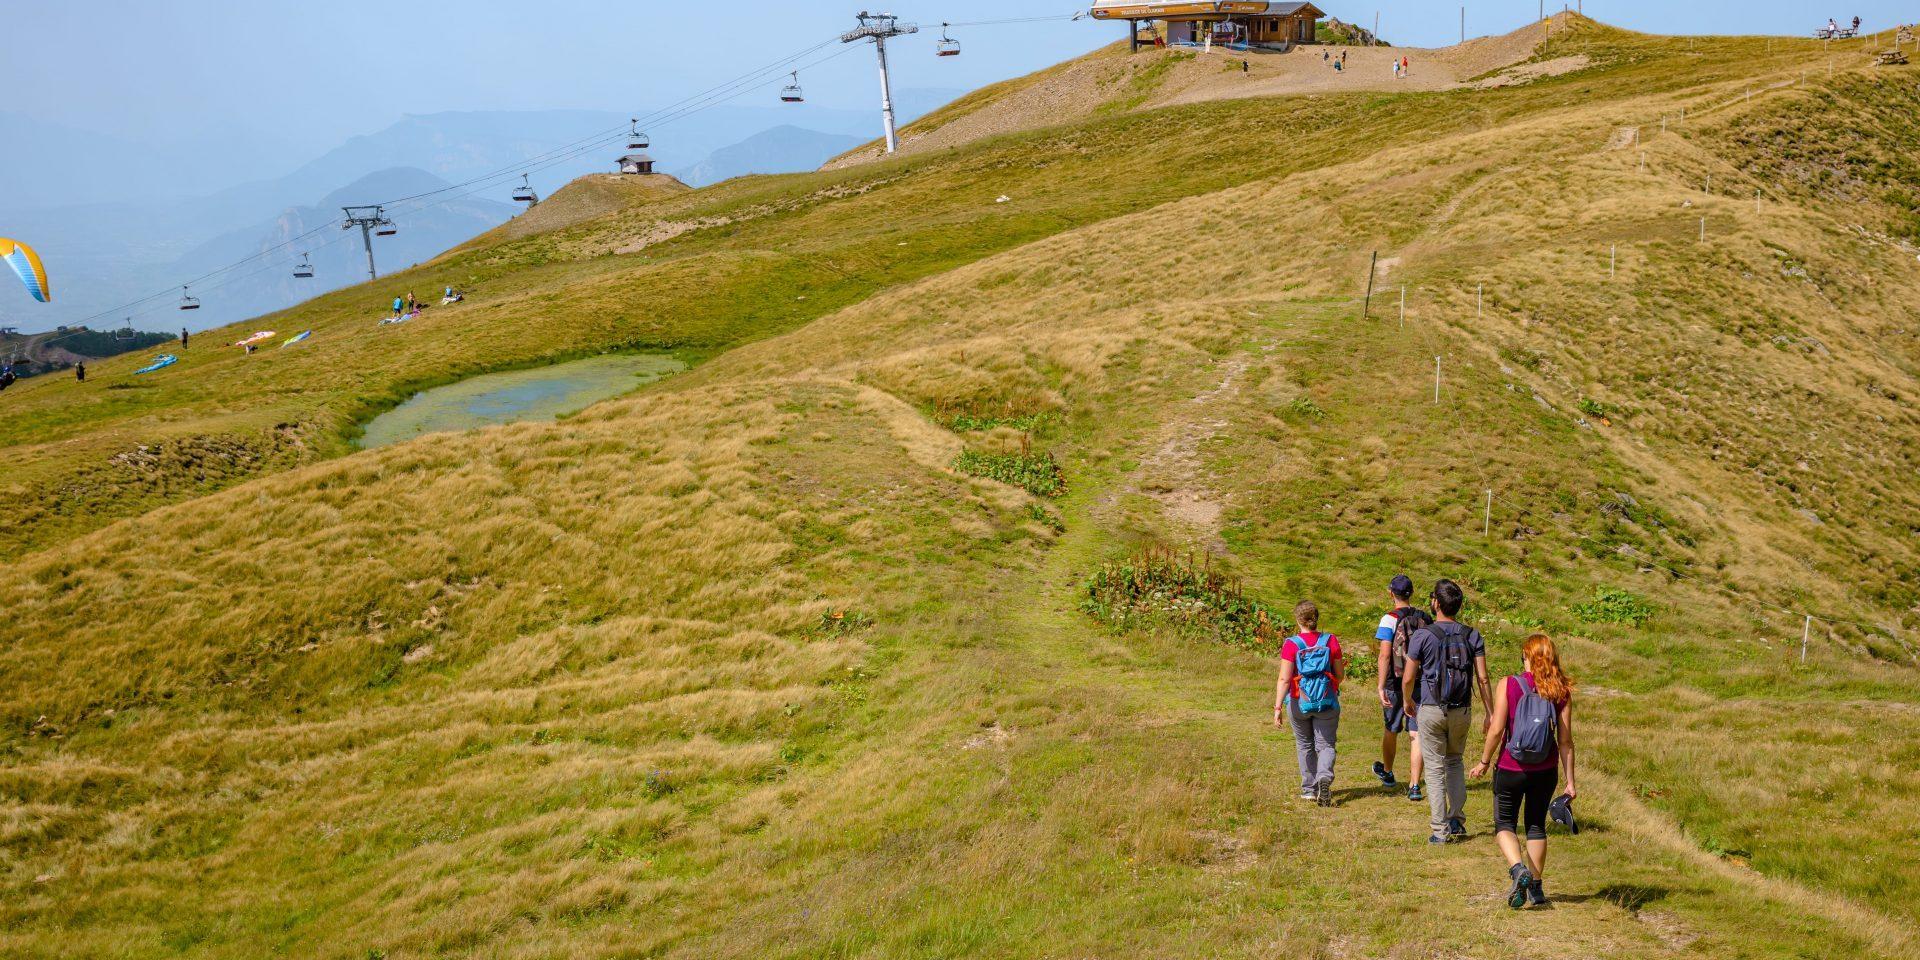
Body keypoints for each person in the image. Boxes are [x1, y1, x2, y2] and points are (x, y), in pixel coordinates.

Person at [1471, 634, 1577, 908]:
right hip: (1545, 768)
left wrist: (1484, 761)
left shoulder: (1509, 684)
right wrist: (1570, 782)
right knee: (1535, 824)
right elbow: (1565, 740)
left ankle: (1519, 870)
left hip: (1511, 766)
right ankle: (1537, 888)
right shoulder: (1561, 690)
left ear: (1527, 657)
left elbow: (1496, 729)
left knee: (1505, 823)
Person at [1401, 578, 1492, 844]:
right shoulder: (1472, 635)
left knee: (1434, 768)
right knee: (1454, 761)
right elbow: (1483, 678)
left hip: (1430, 708)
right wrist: (1490, 712)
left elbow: (1408, 677)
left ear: (1436, 603)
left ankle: (1439, 831)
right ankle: (1456, 820)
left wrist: (1408, 701)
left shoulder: (1423, 635)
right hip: (1462, 709)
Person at [1274, 600, 1345, 807]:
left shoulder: (1292, 644)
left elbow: (1284, 679)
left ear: (1298, 620)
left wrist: (1278, 707)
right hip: (1327, 701)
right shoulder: (1330, 641)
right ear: (1316, 619)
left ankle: (1309, 790)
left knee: (1305, 744)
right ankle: (1324, 777)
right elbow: (1340, 674)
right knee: (1326, 744)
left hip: (1298, 702)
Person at [1374, 575, 1431, 800]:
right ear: (1412, 593)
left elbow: (1385, 654)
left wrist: (1380, 685)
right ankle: (1415, 785)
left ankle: (1388, 773)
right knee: (1416, 734)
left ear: (1391, 593)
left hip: (1394, 681)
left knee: (1392, 727)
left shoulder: (1388, 619)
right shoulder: (1425, 617)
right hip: (1419, 680)